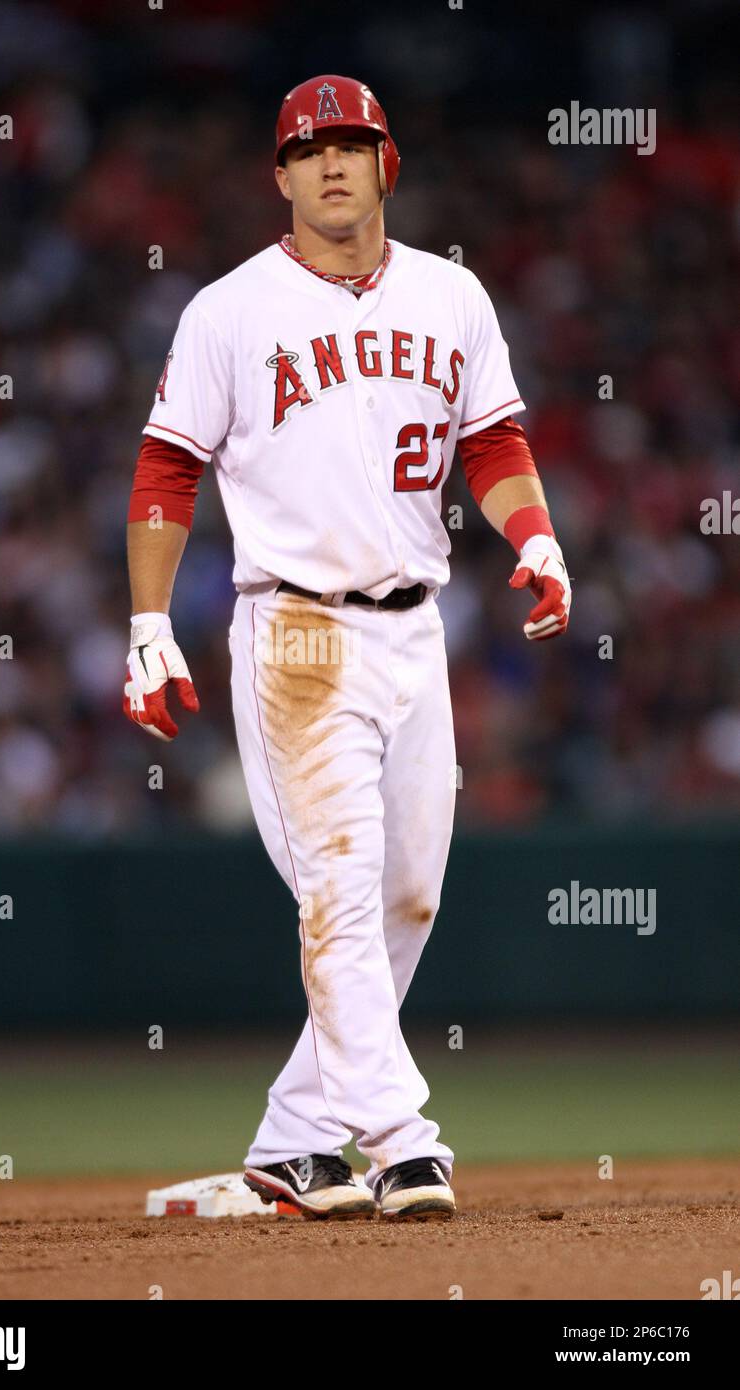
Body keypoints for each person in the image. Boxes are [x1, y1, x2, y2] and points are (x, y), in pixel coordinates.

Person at [123, 75, 571, 1221]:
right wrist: (147, 624)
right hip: (296, 632)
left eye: (351, 143)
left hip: (414, 630)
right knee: (338, 888)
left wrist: (533, 537)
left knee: (405, 898)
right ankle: (402, 1143)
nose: (330, 162)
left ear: (385, 165)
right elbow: (167, 466)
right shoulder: (227, 310)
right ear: (279, 174)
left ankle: (293, 1144)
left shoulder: (450, 294)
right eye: (307, 148)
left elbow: (492, 440)